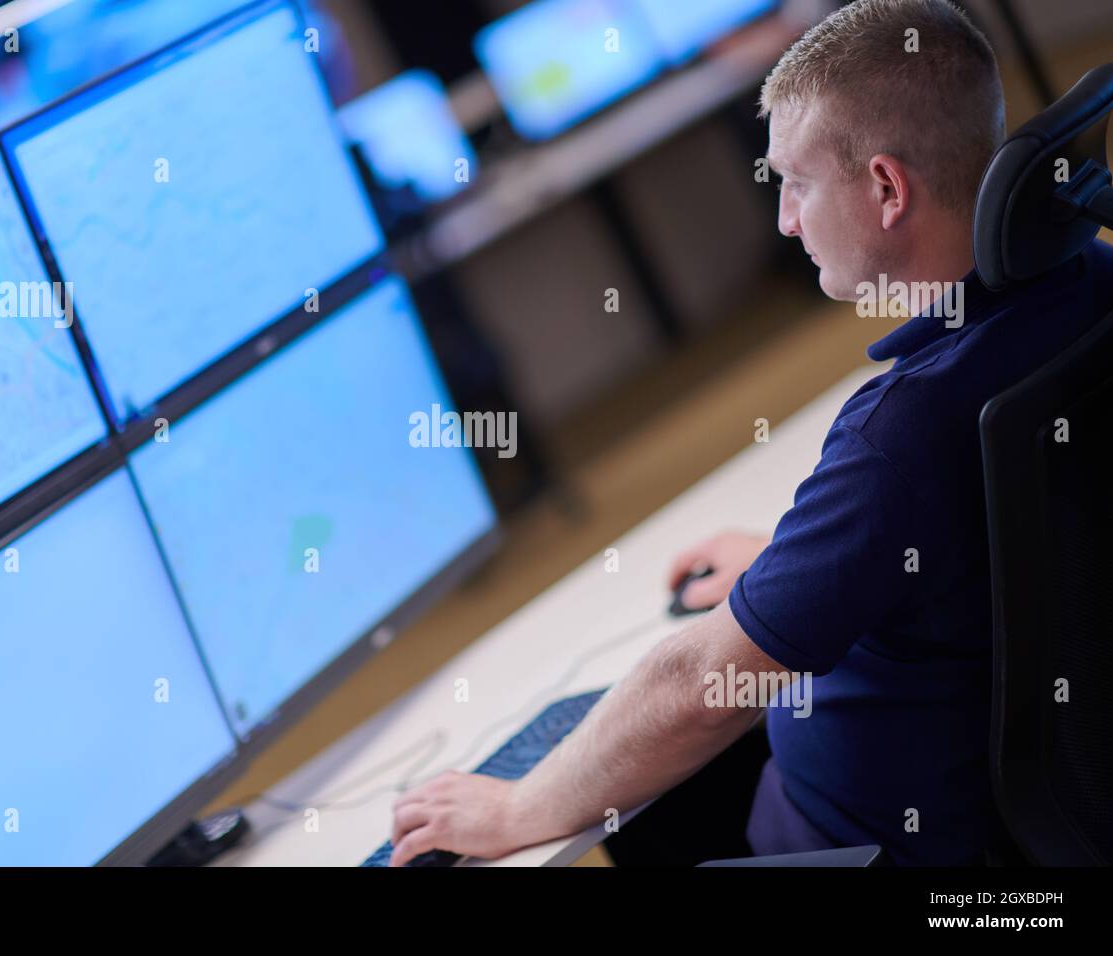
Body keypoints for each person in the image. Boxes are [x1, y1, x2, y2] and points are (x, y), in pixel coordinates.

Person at [387, 0, 1113, 866]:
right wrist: (799, 563)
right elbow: (1005, 529)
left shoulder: (902, 432)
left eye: (796, 184)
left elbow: (696, 686)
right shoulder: (1086, 278)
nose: (786, 222)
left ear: (886, 188)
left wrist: (517, 808)